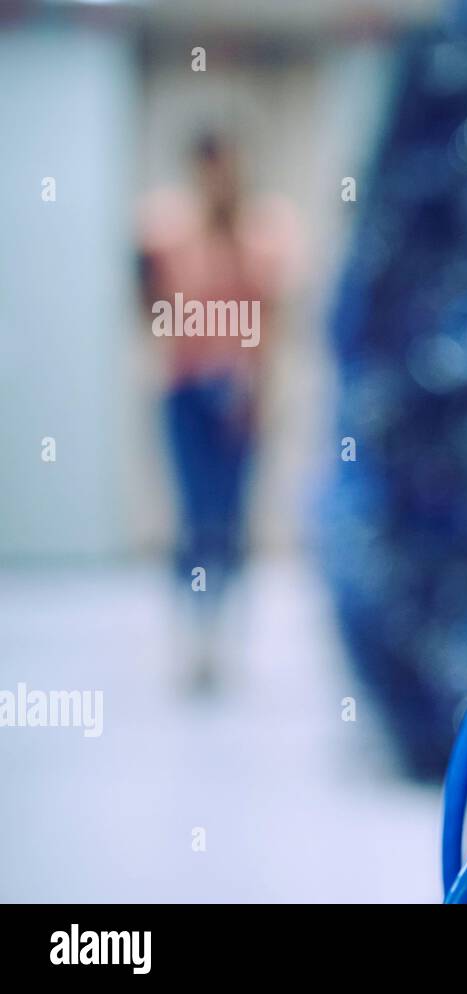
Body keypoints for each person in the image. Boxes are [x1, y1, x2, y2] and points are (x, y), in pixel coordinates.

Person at [137, 131, 299, 691]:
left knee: (230, 518)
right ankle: (193, 638)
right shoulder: (166, 230)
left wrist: (259, 391)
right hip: (184, 390)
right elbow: (149, 303)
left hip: (239, 395)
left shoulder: (265, 232)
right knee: (193, 516)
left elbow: (273, 322)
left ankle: (225, 637)